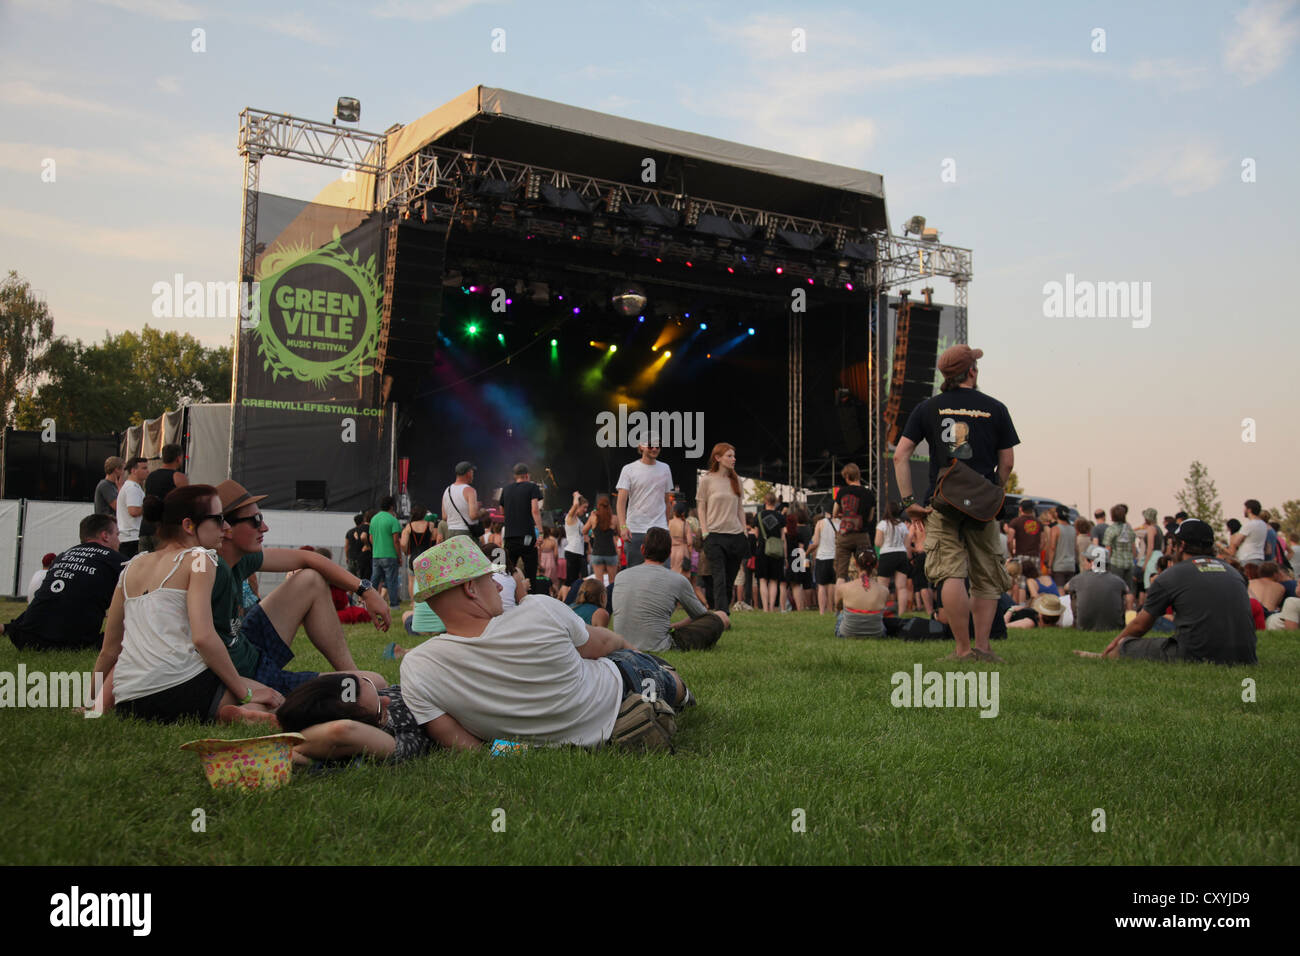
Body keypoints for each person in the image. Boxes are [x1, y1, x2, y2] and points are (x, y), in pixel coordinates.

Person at [400, 536, 693, 749]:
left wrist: (527, 749)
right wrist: (628, 646)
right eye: (491, 579)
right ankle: (680, 689)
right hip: (618, 687)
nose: (500, 585)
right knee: (656, 672)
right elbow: (601, 644)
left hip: (571, 729)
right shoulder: (536, 608)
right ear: (470, 589)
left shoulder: (417, 668)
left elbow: (466, 746)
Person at [96, 485, 282, 724]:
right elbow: (203, 637)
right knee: (274, 700)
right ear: (188, 525)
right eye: (218, 520)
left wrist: (92, 704)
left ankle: (224, 712)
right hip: (181, 686)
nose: (225, 528)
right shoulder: (199, 560)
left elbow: (109, 650)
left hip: (129, 699)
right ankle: (230, 712)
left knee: (250, 694)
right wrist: (244, 692)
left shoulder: (131, 567)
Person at [892, 344, 1018, 663]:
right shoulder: (996, 408)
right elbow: (1007, 462)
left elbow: (900, 455)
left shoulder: (927, 408)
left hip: (943, 502)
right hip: (981, 506)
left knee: (950, 573)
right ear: (972, 372)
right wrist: (995, 492)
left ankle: (962, 649)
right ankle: (985, 648)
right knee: (986, 575)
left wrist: (909, 502)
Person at [209, 480, 390, 697]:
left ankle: (351, 672)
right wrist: (245, 693)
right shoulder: (208, 572)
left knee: (311, 579)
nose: (264, 527)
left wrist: (366, 591)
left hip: (248, 648)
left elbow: (307, 558)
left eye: (262, 518)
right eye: (255, 521)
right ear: (226, 529)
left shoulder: (237, 559)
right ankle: (355, 681)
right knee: (373, 684)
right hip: (248, 675)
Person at [1074, 520, 1257, 664]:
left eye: (1174, 544)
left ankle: (1104, 656)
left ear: (1182, 545)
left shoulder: (1174, 574)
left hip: (1197, 653)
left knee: (1126, 645)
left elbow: (1140, 625)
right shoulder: (1233, 572)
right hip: (1245, 655)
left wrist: (1115, 645)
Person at [2, 515, 124, 651]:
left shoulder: (62, 556)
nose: (119, 541)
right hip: (72, 641)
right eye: (117, 535)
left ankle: (7, 628)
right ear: (105, 536)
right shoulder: (116, 560)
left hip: (25, 637)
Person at [610, 527, 730, 651]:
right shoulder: (677, 580)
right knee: (722, 616)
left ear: (642, 549)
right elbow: (700, 615)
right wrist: (676, 626)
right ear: (669, 553)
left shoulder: (621, 576)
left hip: (623, 644)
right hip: (659, 646)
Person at [277, 674, 432, 765]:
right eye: (380, 711)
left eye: (375, 691)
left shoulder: (362, 700)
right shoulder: (403, 738)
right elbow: (341, 731)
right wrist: (293, 748)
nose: (387, 700)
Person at [697, 442, 749, 615]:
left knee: (729, 579)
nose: (733, 459)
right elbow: (701, 507)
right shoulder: (707, 480)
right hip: (714, 535)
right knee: (718, 576)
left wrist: (745, 532)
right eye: (729, 456)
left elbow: (740, 508)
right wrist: (705, 531)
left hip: (736, 535)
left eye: (734, 456)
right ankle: (722, 614)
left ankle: (723, 612)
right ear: (718, 458)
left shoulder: (737, 480)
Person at [615, 440, 673, 569]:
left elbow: (667, 501)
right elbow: (621, 502)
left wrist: (667, 526)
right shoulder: (629, 469)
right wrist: (623, 526)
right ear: (641, 446)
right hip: (635, 530)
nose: (655, 449)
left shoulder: (665, 468)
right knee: (635, 573)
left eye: (658, 446)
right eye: (651, 446)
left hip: (660, 529)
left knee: (663, 574)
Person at [138, 443, 190, 552]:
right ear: (178, 458)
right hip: (164, 532)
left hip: (145, 529)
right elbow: (187, 503)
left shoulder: (150, 476)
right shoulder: (178, 477)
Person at [501, 463, 544, 587]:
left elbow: (502, 511)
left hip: (509, 536)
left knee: (508, 572)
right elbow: (535, 510)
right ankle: (531, 599)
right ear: (527, 475)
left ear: (515, 476)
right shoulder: (532, 487)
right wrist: (541, 532)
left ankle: (509, 598)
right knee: (530, 573)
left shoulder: (506, 489)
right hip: (527, 536)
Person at [1065, 546, 1128, 630]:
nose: (1084, 563)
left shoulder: (1079, 579)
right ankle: (1118, 623)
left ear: (1092, 562)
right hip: (1114, 627)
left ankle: (1077, 624)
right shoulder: (1118, 580)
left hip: (1084, 627)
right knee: (1122, 596)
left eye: (1086, 560)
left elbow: (1066, 587)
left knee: (1073, 593)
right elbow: (1127, 589)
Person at [831, 463, 874, 583]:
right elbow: (870, 518)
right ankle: (863, 599)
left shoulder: (842, 492)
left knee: (841, 573)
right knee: (864, 569)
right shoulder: (869, 494)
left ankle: (839, 601)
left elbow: (834, 513)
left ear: (847, 477)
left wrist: (843, 515)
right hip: (862, 536)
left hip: (845, 535)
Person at [833, 547, 888, 638]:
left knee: (841, 613)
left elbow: (838, 607)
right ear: (876, 565)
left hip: (847, 633)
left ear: (855, 564)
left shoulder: (843, 587)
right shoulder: (884, 590)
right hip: (877, 633)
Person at [875, 501, 911, 614]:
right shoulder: (902, 525)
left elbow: (878, 542)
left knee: (883, 587)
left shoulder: (882, 524)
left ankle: (881, 612)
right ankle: (901, 613)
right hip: (901, 554)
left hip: (887, 555)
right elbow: (907, 544)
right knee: (901, 587)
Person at [369, 496, 403, 608]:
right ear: (392, 506)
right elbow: (396, 541)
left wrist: (377, 547)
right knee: (391, 581)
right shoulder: (393, 520)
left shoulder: (374, 519)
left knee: (374, 581)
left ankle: (369, 602)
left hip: (376, 554)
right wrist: (399, 556)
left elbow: (371, 538)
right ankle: (394, 604)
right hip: (390, 555)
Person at [1101, 504, 1137, 610]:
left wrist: (1104, 564)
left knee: (1116, 589)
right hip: (1129, 562)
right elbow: (1133, 547)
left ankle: (1118, 613)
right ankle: (1129, 614)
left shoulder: (1111, 530)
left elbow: (1108, 548)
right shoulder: (1129, 529)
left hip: (1116, 563)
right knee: (1129, 591)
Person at [755, 492, 786, 612]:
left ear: (765, 501)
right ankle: (772, 607)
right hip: (777, 550)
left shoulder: (758, 516)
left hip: (762, 549)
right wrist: (785, 555)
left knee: (763, 579)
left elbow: (757, 534)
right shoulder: (780, 517)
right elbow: (783, 537)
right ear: (775, 502)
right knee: (774, 580)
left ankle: (765, 608)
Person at [401, 504, 436, 602]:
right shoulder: (430, 525)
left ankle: (413, 602)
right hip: (426, 557)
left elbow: (403, 543)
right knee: (427, 579)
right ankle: (427, 601)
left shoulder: (409, 527)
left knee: (412, 580)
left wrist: (405, 552)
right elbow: (434, 539)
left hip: (413, 557)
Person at [115, 456, 148, 558]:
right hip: (132, 537)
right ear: (133, 470)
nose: (147, 471)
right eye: (144, 468)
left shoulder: (131, 487)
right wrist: (150, 507)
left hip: (128, 537)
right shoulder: (132, 488)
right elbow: (133, 511)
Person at [584, 494, 620, 585]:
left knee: (599, 583)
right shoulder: (614, 519)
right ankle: (610, 599)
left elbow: (584, 531)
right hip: (611, 553)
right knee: (612, 582)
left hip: (597, 553)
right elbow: (620, 533)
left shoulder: (593, 518)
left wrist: (591, 520)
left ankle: (600, 599)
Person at [810, 508, 839, 614]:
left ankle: (822, 610)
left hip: (822, 556)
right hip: (835, 557)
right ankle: (832, 608)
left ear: (826, 512)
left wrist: (807, 551)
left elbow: (815, 542)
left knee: (821, 585)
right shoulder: (841, 523)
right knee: (833, 583)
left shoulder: (820, 523)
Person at [441, 461, 481, 539]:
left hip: (450, 532)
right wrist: (482, 512)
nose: (473, 475)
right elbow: (473, 515)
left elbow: (444, 517)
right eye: (472, 472)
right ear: (468, 473)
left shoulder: (447, 490)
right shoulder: (470, 490)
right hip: (465, 533)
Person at [562, 492, 589, 590]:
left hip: (578, 552)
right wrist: (576, 496)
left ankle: (566, 600)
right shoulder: (570, 517)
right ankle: (565, 601)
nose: (585, 510)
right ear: (578, 507)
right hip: (572, 551)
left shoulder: (578, 520)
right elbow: (575, 504)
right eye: (584, 507)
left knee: (575, 580)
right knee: (570, 581)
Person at [1228, 500, 1269, 564]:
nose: (1244, 510)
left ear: (1249, 510)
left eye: (1245, 508)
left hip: (1247, 558)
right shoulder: (1263, 525)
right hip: (1259, 557)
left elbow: (1236, 542)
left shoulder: (1249, 525)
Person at [1005, 500, 1042, 568]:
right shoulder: (1039, 523)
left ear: (1020, 508)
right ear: (1032, 509)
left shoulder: (1015, 521)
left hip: (1020, 556)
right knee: (1034, 577)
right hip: (1035, 556)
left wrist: (1012, 554)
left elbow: (1009, 540)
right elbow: (1044, 541)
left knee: (1020, 577)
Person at [1050, 505, 1077, 589]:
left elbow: (1052, 548)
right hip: (1071, 565)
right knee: (1070, 591)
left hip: (1059, 565)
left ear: (1057, 514)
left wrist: (1049, 565)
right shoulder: (1073, 529)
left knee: (1060, 589)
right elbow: (1075, 548)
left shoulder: (1055, 529)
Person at [668, 502, 694, 579]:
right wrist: (689, 555)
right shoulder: (685, 524)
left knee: (671, 576)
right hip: (683, 552)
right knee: (682, 578)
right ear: (683, 512)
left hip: (671, 552)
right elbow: (690, 542)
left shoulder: (668, 523)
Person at [344, 513, 369, 579]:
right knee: (360, 579)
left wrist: (347, 557)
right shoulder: (364, 530)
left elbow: (346, 545)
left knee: (350, 578)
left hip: (351, 557)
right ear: (363, 521)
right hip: (361, 558)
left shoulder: (349, 532)